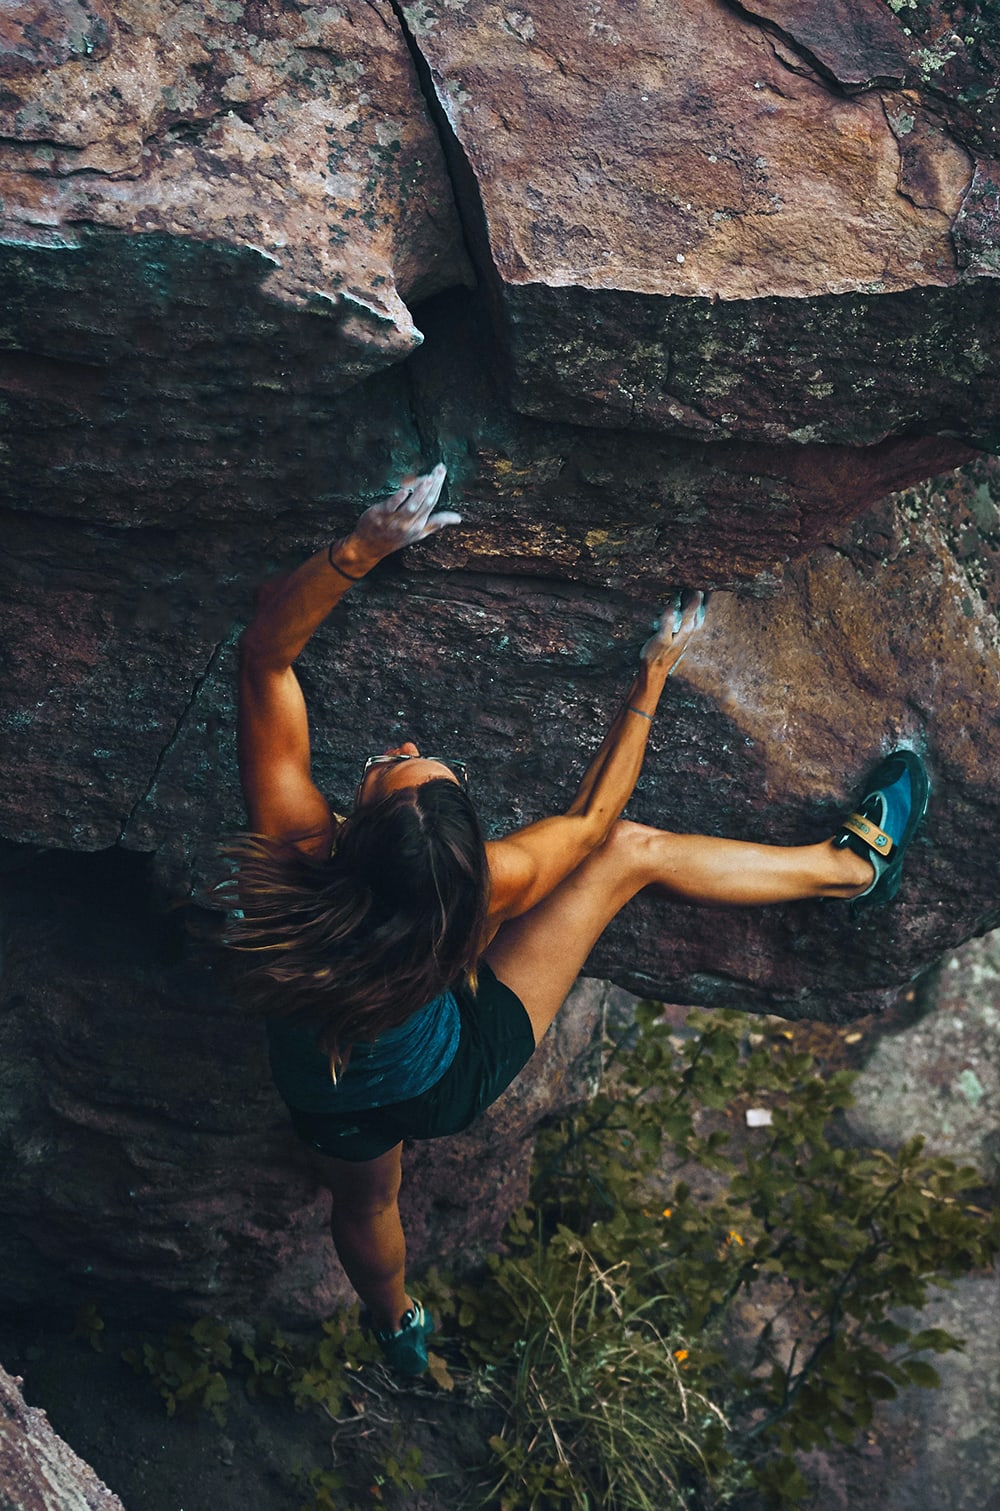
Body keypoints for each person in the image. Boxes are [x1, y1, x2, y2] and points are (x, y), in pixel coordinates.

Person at [230, 464, 928, 1376]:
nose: (405, 746)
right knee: (630, 854)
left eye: (399, 764)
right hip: (451, 1071)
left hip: (335, 1092)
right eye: (410, 763)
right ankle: (848, 869)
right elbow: (598, 823)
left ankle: (398, 1327)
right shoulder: (486, 888)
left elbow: (264, 661)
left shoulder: (293, 857)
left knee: (364, 1207)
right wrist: (651, 676)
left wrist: (361, 547)